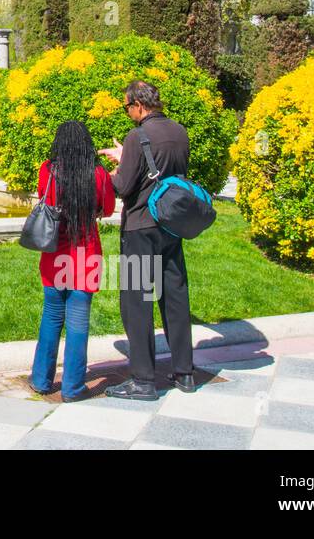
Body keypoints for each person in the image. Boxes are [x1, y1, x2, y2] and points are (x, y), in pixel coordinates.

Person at [99, 80, 195, 401]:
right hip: (172, 225)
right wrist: (129, 157)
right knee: (175, 295)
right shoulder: (179, 131)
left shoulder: (137, 136)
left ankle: (142, 380)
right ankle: (185, 372)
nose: (128, 113)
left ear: (139, 105)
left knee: (136, 301)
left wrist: (117, 165)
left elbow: (123, 187)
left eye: (127, 107)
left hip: (141, 227)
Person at [29, 120, 115, 401]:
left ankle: (41, 379)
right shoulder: (99, 174)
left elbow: (45, 197)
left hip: (55, 254)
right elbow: (108, 208)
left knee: (52, 317)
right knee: (78, 322)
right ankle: (73, 386)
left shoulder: (48, 170)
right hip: (86, 255)